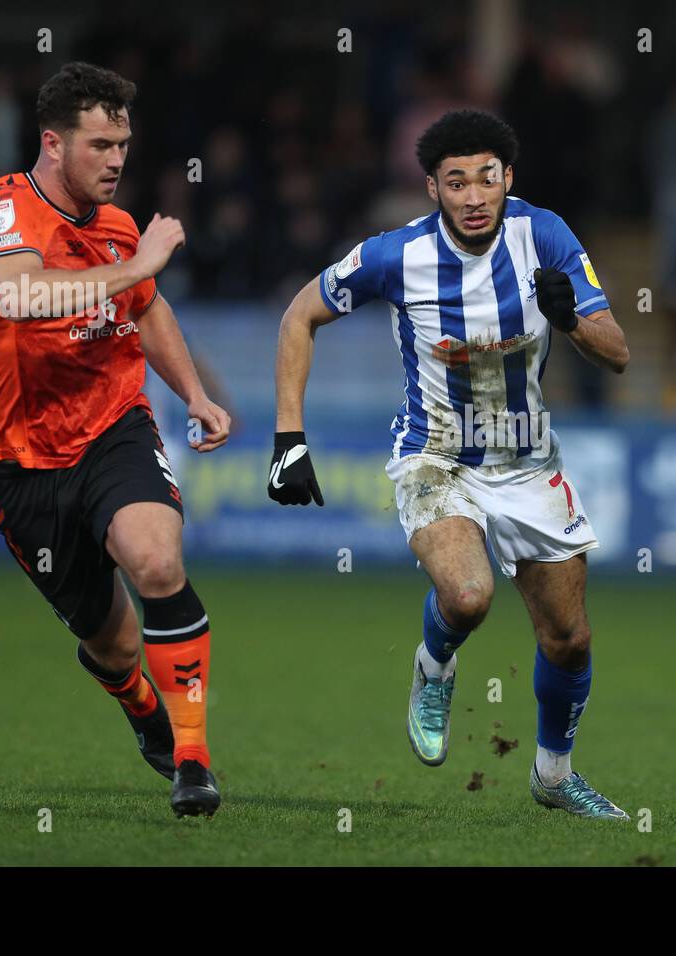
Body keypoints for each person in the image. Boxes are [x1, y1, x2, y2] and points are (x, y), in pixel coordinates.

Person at [269, 110, 631, 818]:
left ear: (508, 179)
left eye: (486, 178)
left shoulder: (546, 235)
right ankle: (435, 665)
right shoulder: (394, 255)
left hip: (528, 463)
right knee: (468, 595)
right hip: (435, 458)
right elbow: (298, 316)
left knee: (569, 637)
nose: (473, 195)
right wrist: (289, 437)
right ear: (431, 187)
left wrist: (572, 319)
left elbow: (617, 352)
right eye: (456, 181)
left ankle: (554, 777)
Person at [0, 62, 230, 817]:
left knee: (156, 558)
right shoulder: (2, 211)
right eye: (101, 144)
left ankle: (193, 759)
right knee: (113, 645)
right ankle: (141, 707)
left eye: (124, 145)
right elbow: (20, 295)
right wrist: (138, 265)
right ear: (52, 143)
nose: (116, 160)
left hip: (112, 426)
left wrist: (195, 395)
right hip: (19, 465)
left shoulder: (116, 229)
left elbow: (147, 308)